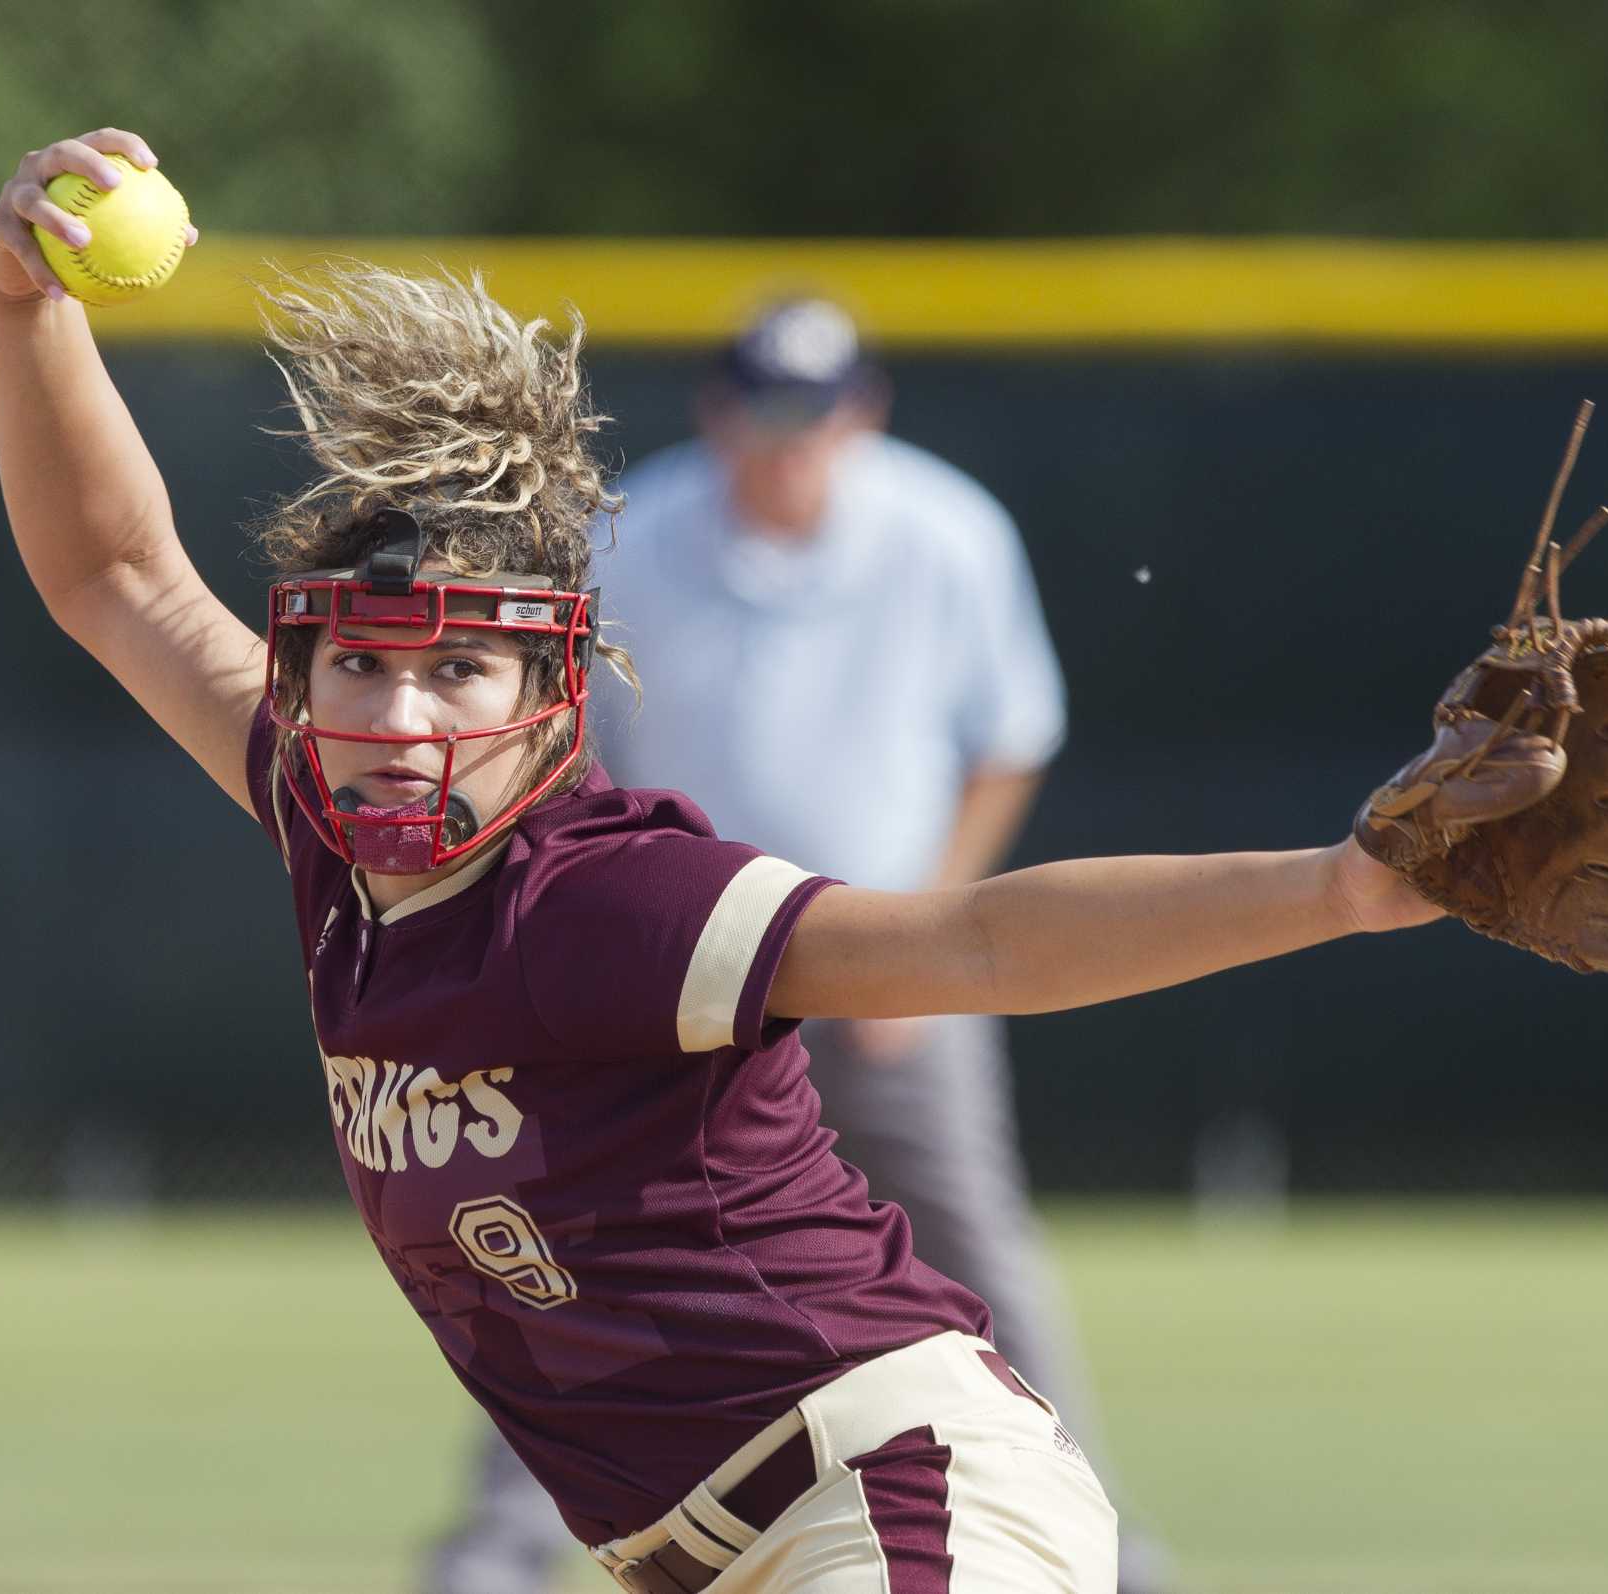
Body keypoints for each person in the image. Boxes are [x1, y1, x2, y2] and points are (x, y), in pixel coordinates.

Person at [0, 130, 1441, 1594]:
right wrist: (25, 305)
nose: (401, 717)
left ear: (554, 695)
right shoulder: (325, 820)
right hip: (724, 1554)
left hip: (890, 1493)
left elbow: (980, 942)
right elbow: (113, 574)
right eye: (360, 665)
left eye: (460, 670)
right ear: (305, 679)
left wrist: (1342, 885)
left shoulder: (605, 896)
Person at [431, 298, 1175, 1594]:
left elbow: (1008, 741)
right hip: (677, 970)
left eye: (815, 418)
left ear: (863, 413)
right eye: (766, 417)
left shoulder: (944, 530)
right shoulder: (637, 535)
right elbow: (564, 748)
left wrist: (933, 944)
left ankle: (1107, 1551)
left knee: (977, 1245)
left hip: (884, 953)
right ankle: (496, 1554)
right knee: (578, 1250)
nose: (789, 446)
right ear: (717, 412)